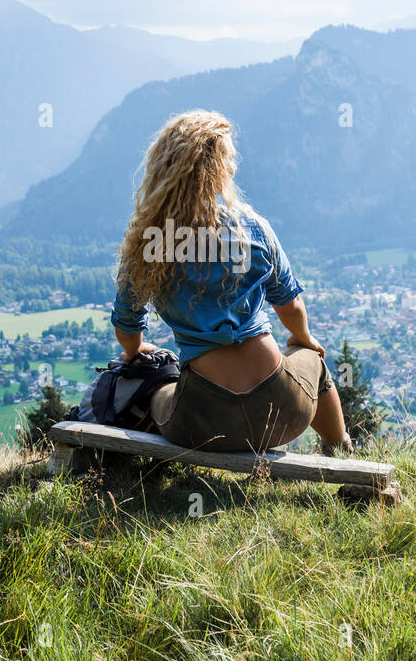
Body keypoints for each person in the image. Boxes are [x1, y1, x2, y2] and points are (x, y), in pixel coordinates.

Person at [111, 109, 352, 455]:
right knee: (312, 359)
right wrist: (303, 339)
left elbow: (126, 325)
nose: (234, 166)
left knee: (158, 389)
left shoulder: (150, 243)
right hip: (281, 410)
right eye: (229, 159)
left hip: (202, 423)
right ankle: (340, 452)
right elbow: (289, 305)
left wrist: (136, 350)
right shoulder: (252, 230)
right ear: (218, 169)